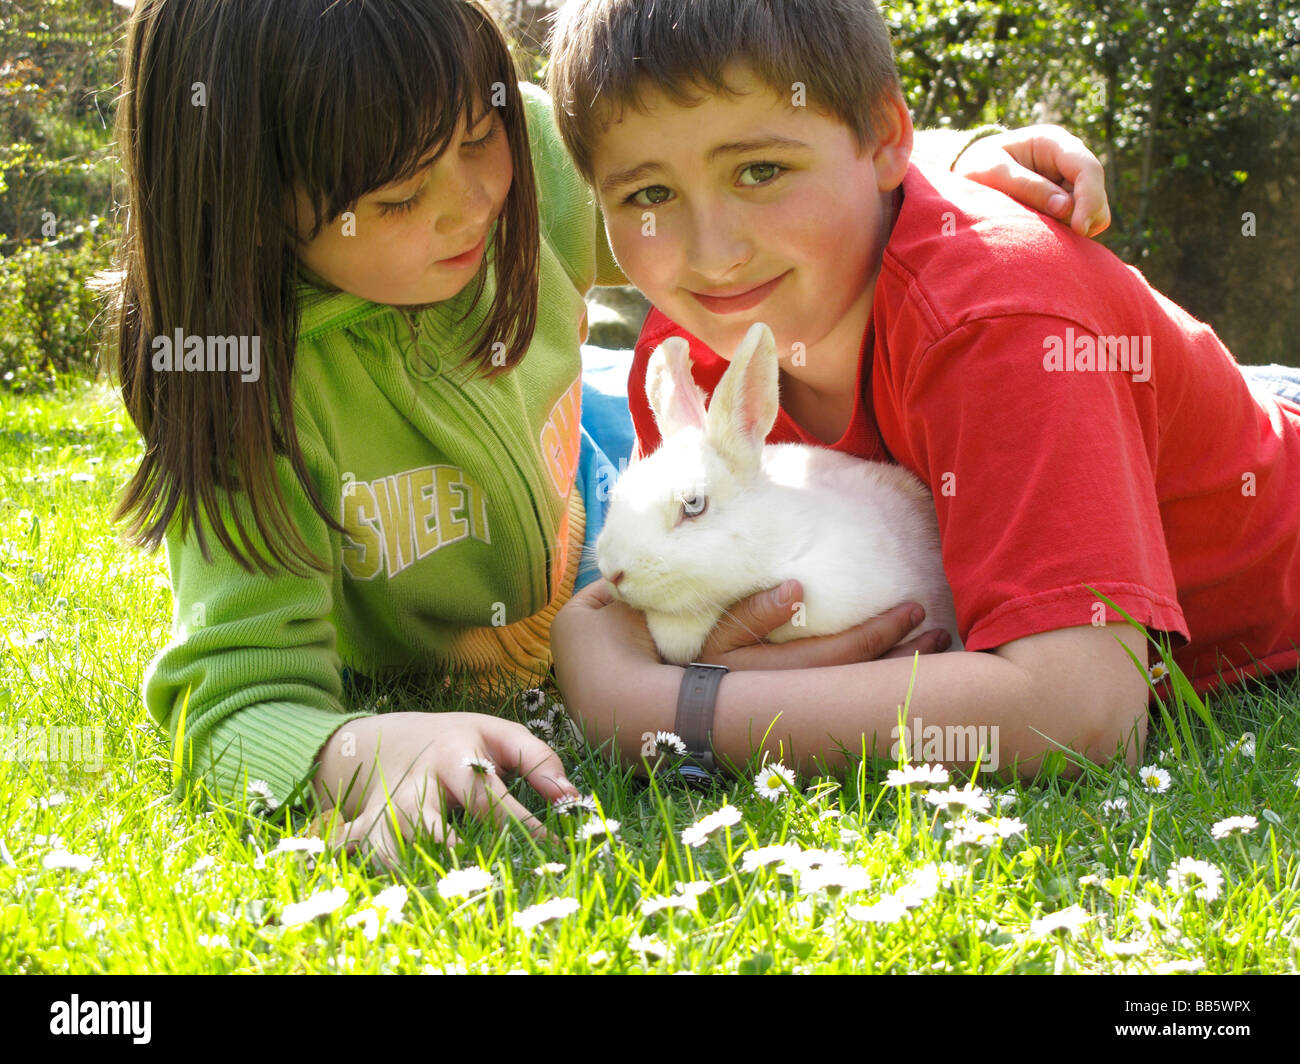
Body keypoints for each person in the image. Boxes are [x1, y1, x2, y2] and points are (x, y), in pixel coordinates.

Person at [108, 0, 1115, 867]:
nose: (472, 204)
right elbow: (236, 702)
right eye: (399, 198)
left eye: (474, 136)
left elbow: (725, 176)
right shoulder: (244, 407)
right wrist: (350, 750)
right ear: (251, 215)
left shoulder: (528, 156)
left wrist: (947, 156)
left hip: (597, 491)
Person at [545, 0, 1300, 782]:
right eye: (649, 197)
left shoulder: (1005, 326)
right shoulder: (689, 347)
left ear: (886, 140)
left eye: (760, 171)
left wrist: (667, 712)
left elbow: (1083, 710)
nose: (713, 255)